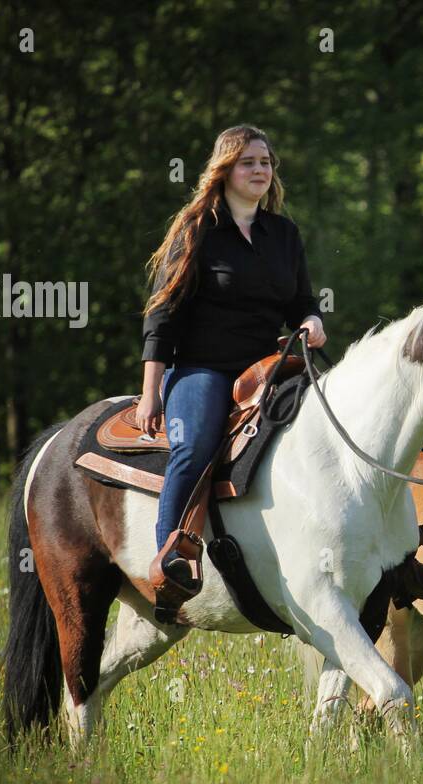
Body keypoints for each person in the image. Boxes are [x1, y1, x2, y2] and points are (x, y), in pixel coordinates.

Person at [136, 125, 327, 601]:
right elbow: (162, 315)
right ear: (225, 171)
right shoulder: (196, 229)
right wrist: (150, 392)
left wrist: (311, 321)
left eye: (265, 162)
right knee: (195, 446)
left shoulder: (283, 233)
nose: (260, 170)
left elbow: (302, 301)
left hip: (267, 366)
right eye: (249, 162)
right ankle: (170, 560)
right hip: (203, 367)